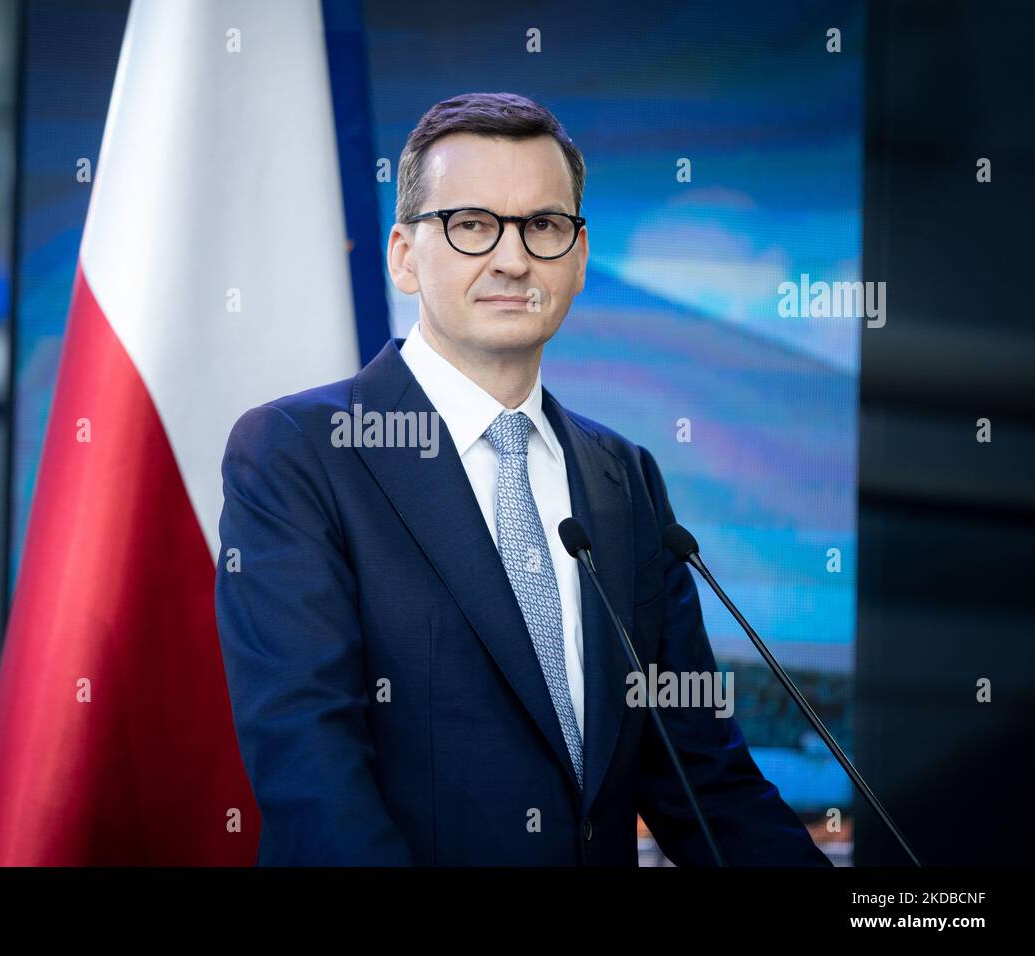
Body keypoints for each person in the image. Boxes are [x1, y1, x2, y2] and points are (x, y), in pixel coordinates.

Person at [214, 91, 830, 866]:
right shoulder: (300, 452)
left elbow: (703, 779)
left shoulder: (624, 478)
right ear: (404, 255)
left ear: (577, 260)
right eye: (472, 225)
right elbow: (312, 772)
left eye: (543, 226)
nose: (513, 259)